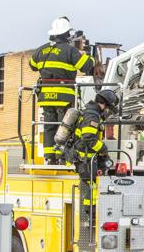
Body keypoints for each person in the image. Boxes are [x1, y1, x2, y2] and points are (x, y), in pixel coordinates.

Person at [29, 16, 95, 163]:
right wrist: (89, 55)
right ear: (66, 34)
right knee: (65, 126)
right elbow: (86, 66)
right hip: (64, 96)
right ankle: (62, 156)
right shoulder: (70, 51)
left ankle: (49, 157)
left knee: (49, 127)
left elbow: (32, 65)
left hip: (46, 97)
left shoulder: (40, 50)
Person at [62, 89, 119, 207]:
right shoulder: (92, 116)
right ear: (104, 104)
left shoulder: (90, 112)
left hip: (86, 158)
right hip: (85, 159)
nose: (108, 113)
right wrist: (103, 149)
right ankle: (90, 212)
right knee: (91, 188)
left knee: (91, 187)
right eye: (109, 109)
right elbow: (88, 138)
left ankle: (90, 211)